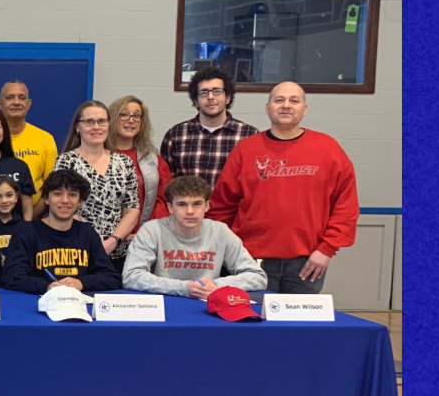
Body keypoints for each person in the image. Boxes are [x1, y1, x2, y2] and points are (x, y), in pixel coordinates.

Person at [208, 82, 359, 295]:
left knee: (299, 327)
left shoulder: (328, 149)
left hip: (307, 263)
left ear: (304, 109)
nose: (286, 105)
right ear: (267, 108)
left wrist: (326, 250)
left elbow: (346, 207)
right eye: (279, 100)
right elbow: (222, 207)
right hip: (250, 260)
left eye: (294, 101)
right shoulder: (246, 150)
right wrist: (228, 253)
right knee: (249, 324)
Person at [123, 175, 266, 297]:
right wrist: (185, 288)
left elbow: (258, 277)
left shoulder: (221, 232)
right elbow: (131, 276)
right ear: (170, 208)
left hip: (208, 303)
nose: (190, 211)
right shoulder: (152, 230)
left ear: (207, 206)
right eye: (182, 204)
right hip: (166, 300)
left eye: (197, 204)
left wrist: (217, 284)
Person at [1, 168, 123, 294]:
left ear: (80, 201)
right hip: (38, 304)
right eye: (58, 194)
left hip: (78, 305)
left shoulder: (87, 232)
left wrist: (81, 283)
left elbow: (111, 277)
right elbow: (11, 277)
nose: (65, 200)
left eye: (72, 194)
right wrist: (46, 287)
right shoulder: (26, 231)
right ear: (46, 199)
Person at [55, 100, 141, 268]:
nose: (96, 127)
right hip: (76, 249)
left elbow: (132, 209)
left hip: (116, 253)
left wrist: (112, 242)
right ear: (77, 127)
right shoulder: (66, 162)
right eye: (89, 122)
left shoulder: (124, 162)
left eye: (102, 121)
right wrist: (91, 242)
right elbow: (60, 205)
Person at [159, 66, 258, 186]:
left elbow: (253, 182)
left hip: (230, 205)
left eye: (217, 91)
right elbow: (168, 183)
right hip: (189, 205)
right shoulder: (175, 135)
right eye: (204, 92)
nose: (210, 97)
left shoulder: (249, 135)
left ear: (227, 98)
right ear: (196, 101)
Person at [109, 95, 174, 231]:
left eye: (137, 116)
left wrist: (146, 233)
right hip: (102, 238)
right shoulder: (98, 156)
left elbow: (164, 201)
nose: (131, 120)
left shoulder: (154, 161)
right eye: (124, 114)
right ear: (112, 118)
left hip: (141, 238)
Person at [0, 80, 57, 192]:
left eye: (22, 97)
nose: (16, 102)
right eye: (10, 97)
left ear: (28, 104)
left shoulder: (45, 139)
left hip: (37, 208)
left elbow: (51, 186)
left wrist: (32, 210)